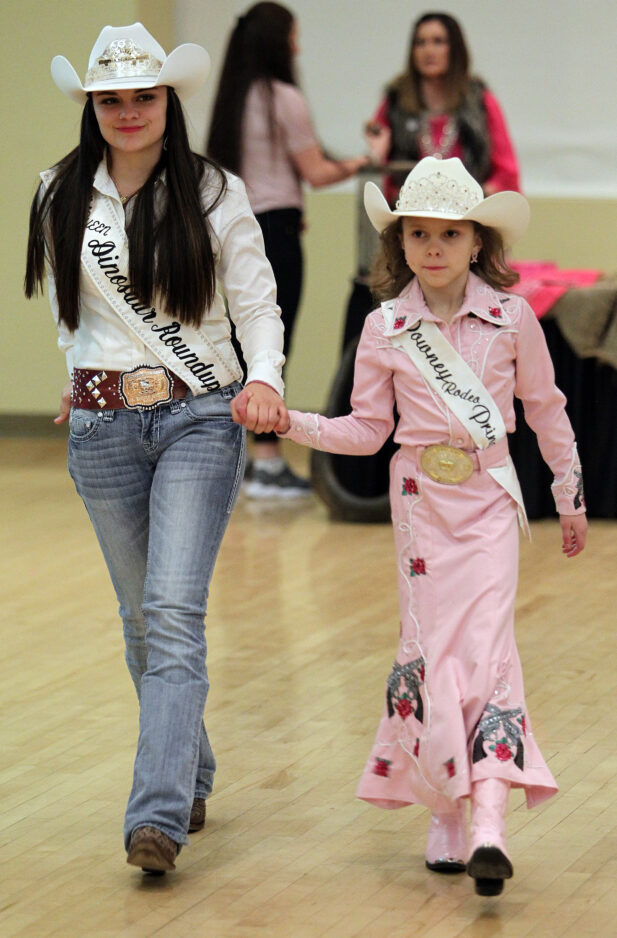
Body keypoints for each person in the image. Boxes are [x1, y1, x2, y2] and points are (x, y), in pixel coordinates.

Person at [236, 156, 588, 896]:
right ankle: (447, 813)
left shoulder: (512, 317)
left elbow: (546, 408)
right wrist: (290, 420)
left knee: (489, 652)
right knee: (430, 656)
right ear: (399, 246)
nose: (432, 247)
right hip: (420, 507)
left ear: (476, 241)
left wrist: (569, 489)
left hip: (489, 500)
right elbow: (367, 431)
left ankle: (488, 817)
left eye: (448, 234)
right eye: (417, 234)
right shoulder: (385, 326)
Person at [25, 22, 289, 874]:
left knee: (173, 614)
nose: (129, 111)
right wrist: (79, 375)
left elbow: (255, 306)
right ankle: (192, 766)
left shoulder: (215, 192)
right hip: (102, 429)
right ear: (91, 107)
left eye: (144, 96)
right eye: (112, 99)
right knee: (143, 623)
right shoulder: (57, 191)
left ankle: (157, 818)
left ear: (168, 101)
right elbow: (71, 311)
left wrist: (268, 381)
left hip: (198, 420)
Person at [207, 1, 368, 499]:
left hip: (228, 228)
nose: (298, 45)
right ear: (280, 41)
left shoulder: (231, 99)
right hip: (274, 230)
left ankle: (225, 461)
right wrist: (364, 159)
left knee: (230, 343)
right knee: (269, 342)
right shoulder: (283, 98)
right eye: (294, 36)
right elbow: (317, 173)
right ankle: (268, 463)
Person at [365, 12, 520, 205]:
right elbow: (380, 171)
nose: (428, 51)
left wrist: (470, 199)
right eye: (420, 43)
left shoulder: (480, 101)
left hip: (470, 213)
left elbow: (506, 172)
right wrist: (375, 156)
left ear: (455, 49)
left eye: (438, 42)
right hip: (408, 213)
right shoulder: (395, 102)